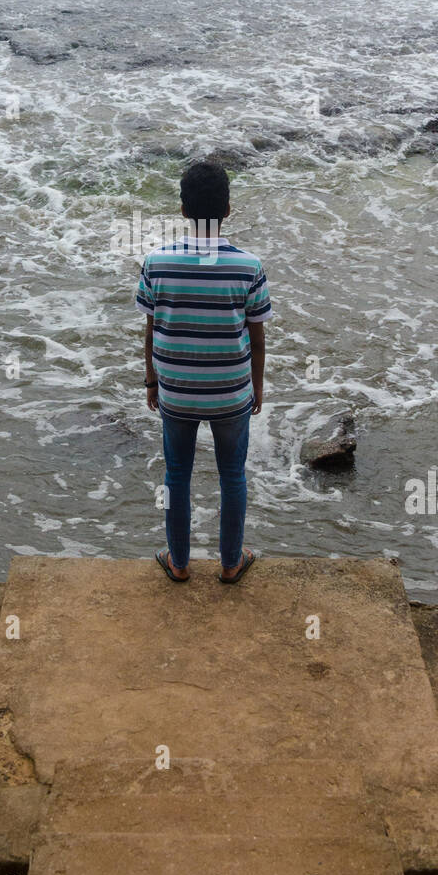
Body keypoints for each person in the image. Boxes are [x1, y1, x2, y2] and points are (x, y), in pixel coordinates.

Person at [136, 160, 271, 585]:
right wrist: (257, 385)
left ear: (182, 209)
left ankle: (178, 562)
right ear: (228, 208)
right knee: (233, 474)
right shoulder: (249, 266)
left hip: (176, 389)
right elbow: (258, 336)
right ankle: (231, 564)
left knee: (177, 473)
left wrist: (152, 380)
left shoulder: (157, 262)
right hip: (230, 390)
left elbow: (151, 326)